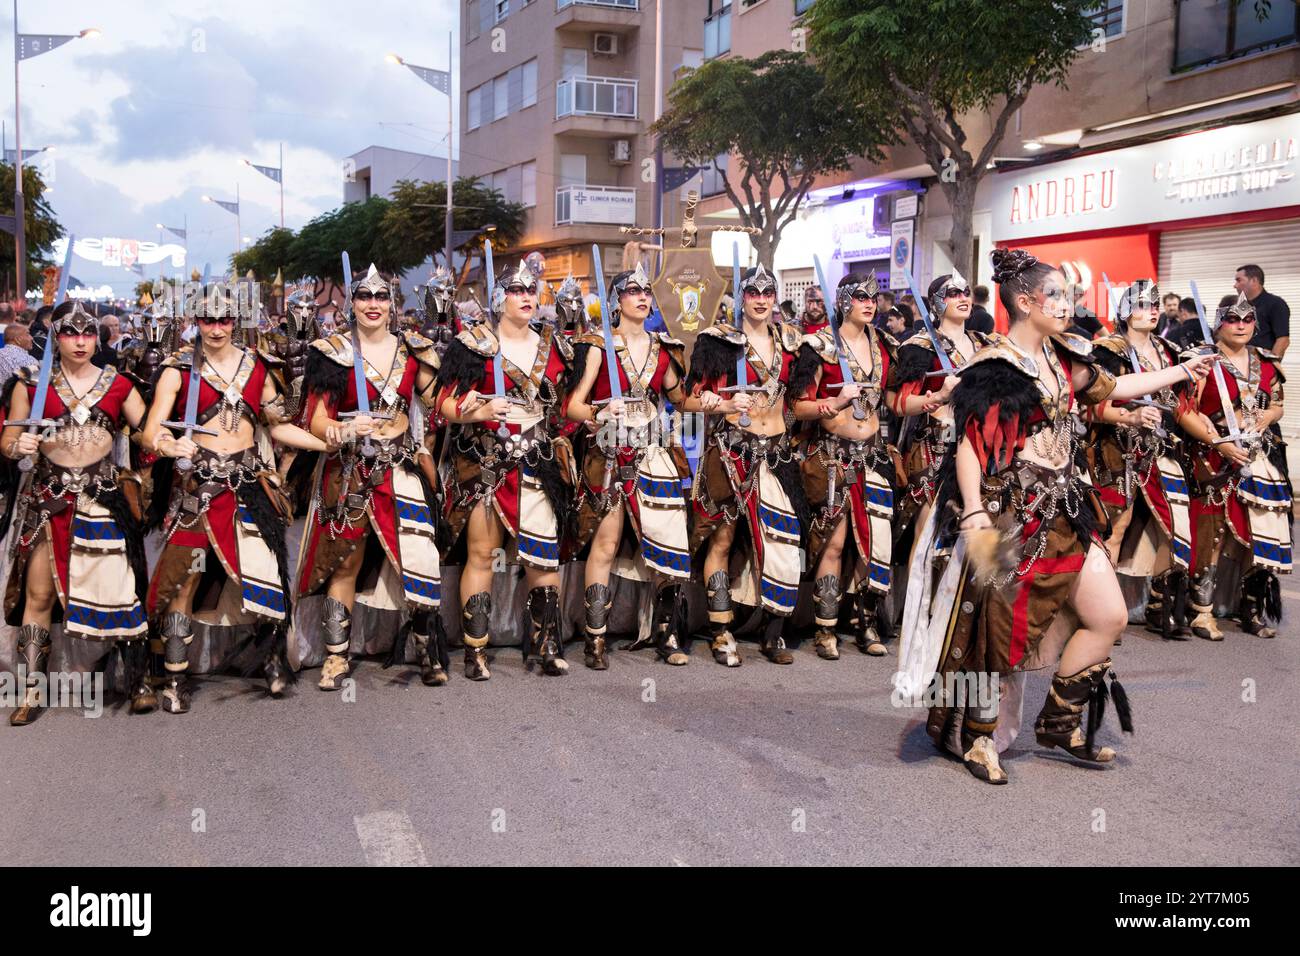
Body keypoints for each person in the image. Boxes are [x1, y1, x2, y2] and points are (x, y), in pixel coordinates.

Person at [910, 249, 1212, 785]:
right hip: (1004, 515)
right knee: (992, 633)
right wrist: (975, 510)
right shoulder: (994, 367)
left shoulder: (1063, 356)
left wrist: (1181, 370)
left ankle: (1060, 724)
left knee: (1109, 617)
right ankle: (980, 739)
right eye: (1058, 295)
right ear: (1025, 302)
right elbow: (969, 447)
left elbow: (1112, 388)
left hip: (1066, 509)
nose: (1069, 304)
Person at [143, 288, 327, 713]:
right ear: (197, 321)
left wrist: (323, 444)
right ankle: (173, 676)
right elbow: (152, 429)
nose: (216, 328)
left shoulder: (257, 367)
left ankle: (273, 659)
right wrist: (169, 446)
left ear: (236, 321)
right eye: (208, 320)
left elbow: (277, 426)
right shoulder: (177, 370)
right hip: (197, 493)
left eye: (224, 320)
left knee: (265, 572)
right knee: (181, 582)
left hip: (247, 487)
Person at [1, 301, 153, 724]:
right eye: (71, 333)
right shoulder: (30, 383)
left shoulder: (119, 384)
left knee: (122, 589)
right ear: (56, 336)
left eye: (88, 333)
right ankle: (30, 690)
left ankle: (138, 679)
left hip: (103, 499)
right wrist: (18, 446)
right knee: (39, 594)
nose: (81, 341)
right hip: (48, 500)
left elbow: (144, 430)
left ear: (98, 337)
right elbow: (9, 440)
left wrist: (167, 441)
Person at [296, 264, 443, 690]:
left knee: (419, 559)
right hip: (349, 472)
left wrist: (473, 407)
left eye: (380, 298)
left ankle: (426, 649)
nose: (373, 305)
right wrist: (340, 430)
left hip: (401, 467)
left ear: (391, 304)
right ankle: (336, 658)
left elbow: (437, 404)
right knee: (345, 562)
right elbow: (317, 419)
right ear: (352, 304)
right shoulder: (332, 352)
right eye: (364, 297)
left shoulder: (415, 352)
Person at [436, 260, 574, 680]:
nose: (527, 296)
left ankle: (546, 645)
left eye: (532, 290)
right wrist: (476, 408)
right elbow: (443, 406)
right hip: (485, 464)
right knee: (483, 555)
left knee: (543, 556)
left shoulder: (555, 347)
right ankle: (475, 651)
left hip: (537, 463)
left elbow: (565, 410)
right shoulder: (472, 344)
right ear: (500, 298)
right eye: (516, 290)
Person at [681, 263, 808, 667]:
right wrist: (721, 403)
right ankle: (720, 630)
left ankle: (774, 631)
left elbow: (800, 398)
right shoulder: (718, 342)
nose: (761, 300)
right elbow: (687, 400)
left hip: (776, 452)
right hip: (732, 452)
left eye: (767, 293)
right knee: (722, 538)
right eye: (753, 293)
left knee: (783, 542)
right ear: (742, 298)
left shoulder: (791, 343)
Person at [566, 263, 692, 668]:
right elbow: (572, 406)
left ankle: (667, 634)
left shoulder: (663, 348)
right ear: (616, 301)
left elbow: (681, 400)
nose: (642, 296)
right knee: (605, 544)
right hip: (608, 454)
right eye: (632, 290)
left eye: (646, 290)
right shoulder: (598, 346)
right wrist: (601, 413)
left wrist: (720, 402)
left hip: (654, 453)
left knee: (670, 543)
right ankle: (596, 639)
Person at [789, 272, 899, 660]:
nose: (869, 303)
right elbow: (798, 405)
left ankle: (867, 623)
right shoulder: (819, 347)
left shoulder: (884, 347)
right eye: (860, 297)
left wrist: (937, 397)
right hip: (831, 457)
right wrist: (833, 403)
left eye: (874, 297)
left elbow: (895, 401)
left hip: (871, 455)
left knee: (875, 543)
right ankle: (825, 629)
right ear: (843, 302)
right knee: (833, 543)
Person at [1087, 281, 1197, 640]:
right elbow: (1088, 405)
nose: (1152, 309)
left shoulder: (1167, 350)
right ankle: (1103, 611)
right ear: (1125, 312)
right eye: (1142, 304)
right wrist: (1128, 417)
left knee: (1173, 528)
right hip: (1117, 451)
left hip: (1161, 450)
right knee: (1115, 529)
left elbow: (1178, 405)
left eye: (1155, 304)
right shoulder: (1106, 351)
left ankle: (1159, 606)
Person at [1179, 292, 1291, 641]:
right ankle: (1202, 611)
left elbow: (1277, 402)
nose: (1240, 325)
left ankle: (1251, 608)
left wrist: (1269, 415)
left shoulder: (1265, 361)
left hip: (1259, 456)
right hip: (1214, 456)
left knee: (1258, 533)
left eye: (1247, 319)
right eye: (1232, 319)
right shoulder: (1201, 360)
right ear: (1219, 323)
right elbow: (1186, 409)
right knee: (1213, 531)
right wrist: (1220, 443)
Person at [888, 272, 984, 630]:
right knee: (926, 532)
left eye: (967, 292)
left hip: (977, 448)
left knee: (970, 531)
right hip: (933, 446)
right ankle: (915, 610)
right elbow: (899, 403)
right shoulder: (919, 347)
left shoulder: (984, 344)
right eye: (953, 292)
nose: (963, 297)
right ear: (938, 301)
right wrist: (939, 396)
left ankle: (959, 613)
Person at [1235, 264, 1289, 358]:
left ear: (1254, 281)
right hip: (1240, 362)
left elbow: (1283, 340)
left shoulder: (1275, 303)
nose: (1235, 286)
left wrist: (1272, 366)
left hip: (1261, 365)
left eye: (1239, 280)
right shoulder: (1241, 306)